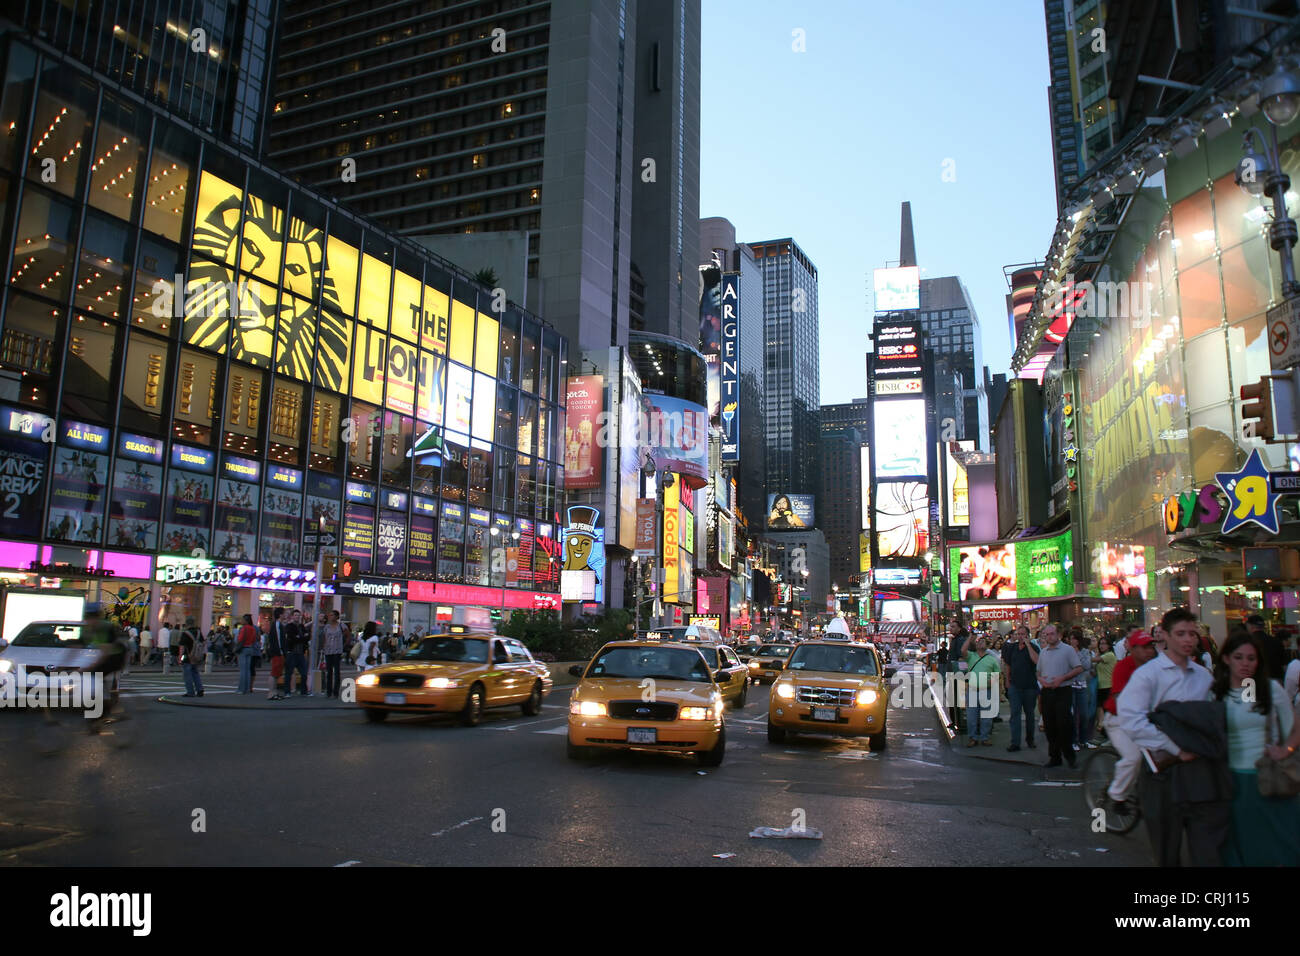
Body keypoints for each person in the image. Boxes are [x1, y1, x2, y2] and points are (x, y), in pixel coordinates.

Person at [1118, 607, 1219, 867]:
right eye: (1181, 634)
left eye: (1192, 634)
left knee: (1206, 848)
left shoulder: (1203, 676)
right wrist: (1174, 748)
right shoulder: (1148, 674)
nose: (1188, 640)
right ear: (1166, 635)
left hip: (1199, 771)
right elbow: (1131, 718)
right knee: (1166, 849)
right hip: (1162, 773)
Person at [1211, 628, 1300, 865]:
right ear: (1227, 658)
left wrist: (1286, 750)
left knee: (1277, 845)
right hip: (1230, 781)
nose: (1245, 664)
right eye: (1238, 657)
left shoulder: (1271, 689)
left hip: (1268, 779)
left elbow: (1295, 729)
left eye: (1251, 658)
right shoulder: (1216, 693)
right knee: (1239, 846)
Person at [1102, 630, 1158, 813]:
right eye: (1144, 647)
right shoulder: (1123, 666)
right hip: (1118, 720)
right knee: (1133, 756)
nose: (1149, 651)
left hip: (1145, 720)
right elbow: (1119, 698)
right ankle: (1116, 796)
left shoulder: (1155, 667)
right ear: (1133, 649)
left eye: (1151, 646)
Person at [1036, 623, 1083, 769]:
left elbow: (1079, 668)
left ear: (1058, 635)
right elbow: (1038, 672)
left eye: (1051, 634)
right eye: (1046, 634)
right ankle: (1054, 756)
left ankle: (1069, 755)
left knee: (1064, 724)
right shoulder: (1044, 652)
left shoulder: (1067, 650)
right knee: (1049, 726)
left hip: (1063, 690)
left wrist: (1062, 678)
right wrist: (1041, 680)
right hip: (1047, 691)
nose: (1049, 637)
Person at [1002, 624, 1039, 752]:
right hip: (1015, 686)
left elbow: (1036, 661)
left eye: (1023, 634)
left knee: (1030, 715)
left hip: (1030, 686)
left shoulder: (1033, 647)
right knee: (1015, 714)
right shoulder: (1012, 648)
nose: (1020, 636)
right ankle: (1015, 742)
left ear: (1027, 635)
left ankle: (1030, 739)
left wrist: (1028, 645)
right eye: (1019, 634)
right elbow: (1008, 664)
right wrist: (1007, 680)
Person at [959, 631, 1000, 747]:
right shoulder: (971, 656)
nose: (981, 643)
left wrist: (990, 683)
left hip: (986, 690)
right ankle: (972, 737)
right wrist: (970, 638)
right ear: (975, 645)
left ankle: (985, 737)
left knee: (986, 717)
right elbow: (963, 651)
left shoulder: (991, 659)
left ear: (987, 646)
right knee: (971, 717)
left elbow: (997, 675)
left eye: (983, 642)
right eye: (979, 642)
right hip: (972, 690)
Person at [1246, 614, 1284, 683]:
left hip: (1256, 682)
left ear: (1250, 626)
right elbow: (1283, 665)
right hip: (1276, 680)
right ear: (1263, 626)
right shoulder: (1276, 641)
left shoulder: (1247, 642)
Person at [1094, 635, 1117, 739]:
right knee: (1103, 711)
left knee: (1108, 712)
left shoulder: (1109, 655)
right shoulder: (1103, 655)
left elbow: (1094, 660)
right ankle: (1105, 733)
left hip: (1108, 686)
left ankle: (1110, 735)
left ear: (1109, 645)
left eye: (1104, 644)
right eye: (1100, 644)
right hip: (1101, 687)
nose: (1101, 646)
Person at [177, 616, 204, 698]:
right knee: (195, 672)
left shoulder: (185, 633)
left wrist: (180, 657)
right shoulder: (199, 632)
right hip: (196, 656)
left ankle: (190, 692)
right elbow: (203, 643)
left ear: (187, 623)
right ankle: (200, 689)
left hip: (187, 656)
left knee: (187, 674)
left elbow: (182, 646)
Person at [321, 610, 344, 698]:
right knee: (329, 671)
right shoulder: (326, 627)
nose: (331, 617)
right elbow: (324, 637)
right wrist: (324, 647)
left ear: (337, 617)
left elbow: (347, 635)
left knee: (336, 671)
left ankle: (336, 692)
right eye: (330, 615)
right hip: (328, 650)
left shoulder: (341, 625)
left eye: (333, 615)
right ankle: (329, 691)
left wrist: (343, 646)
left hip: (337, 651)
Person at [263, 612, 285, 700]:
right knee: (274, 673)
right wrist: (281, 650)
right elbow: (279, 639)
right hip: (277, 652)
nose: (285, 615)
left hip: (277, 652)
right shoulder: (277, 625)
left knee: (277, 673)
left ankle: (274, 692)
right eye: (284, 613)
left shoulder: (277, 624)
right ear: (280, 615)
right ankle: (271, 693)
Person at [236, 614, 259, 694]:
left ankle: (241, 689)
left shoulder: (243, 628)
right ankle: (248, 688)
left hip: (243, 649)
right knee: (248, 670)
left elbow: (240, 639)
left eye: (243, 620)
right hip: (250, 648)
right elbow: (254, 639)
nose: (241, 621)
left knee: (243, 670)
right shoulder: (253, 628)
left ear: (246, 621)